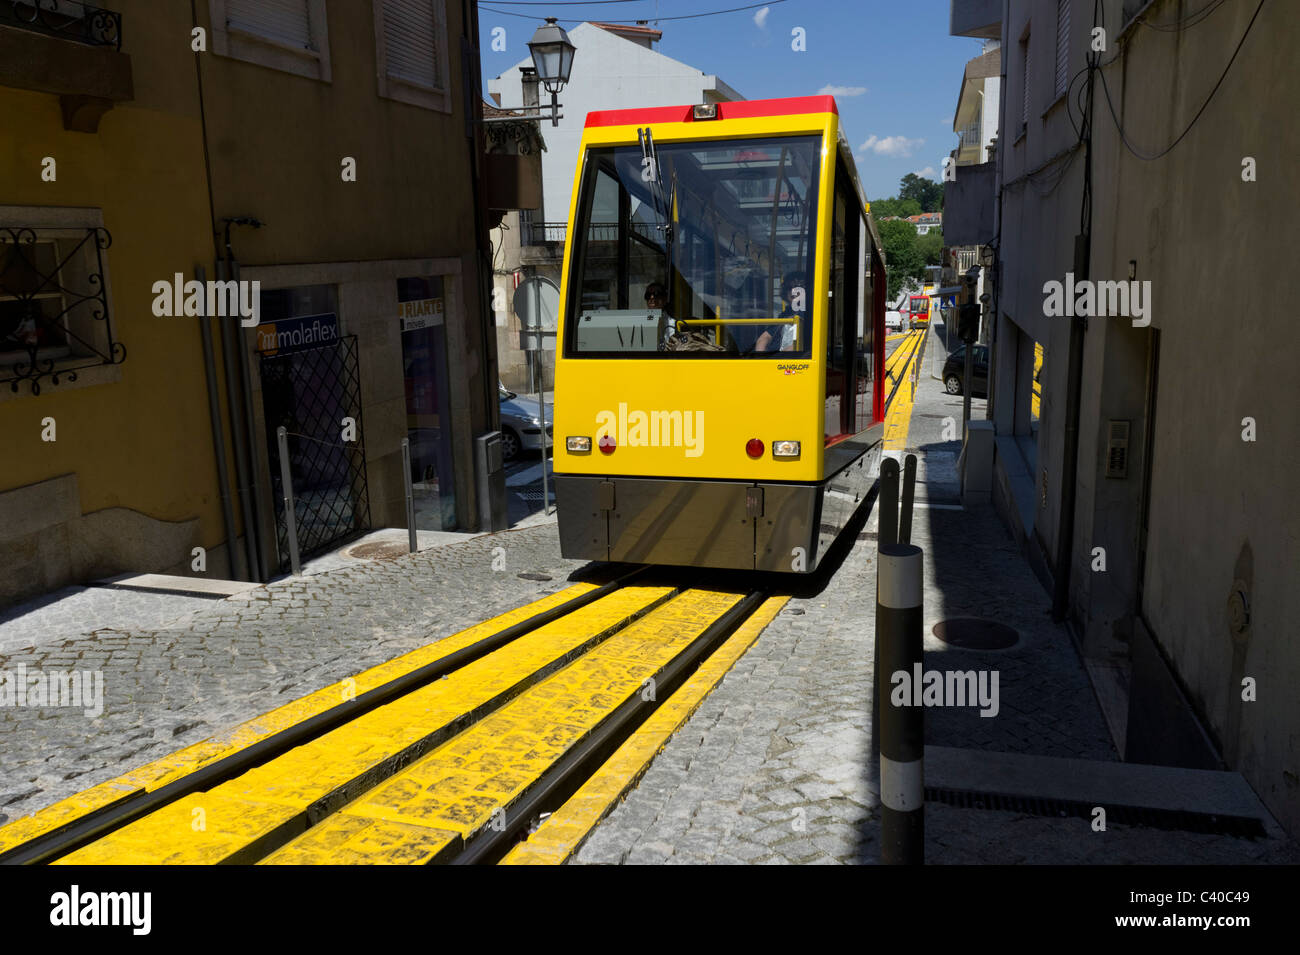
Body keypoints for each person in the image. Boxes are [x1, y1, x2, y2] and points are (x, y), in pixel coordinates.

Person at [754, 271, 807, 353]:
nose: (796, 298)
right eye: (792, 295)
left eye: (800, 293)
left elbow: (802, 345)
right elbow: (764, 338)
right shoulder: (785, 314)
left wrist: (776, 358)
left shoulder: (811, 315)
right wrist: (760, 357)